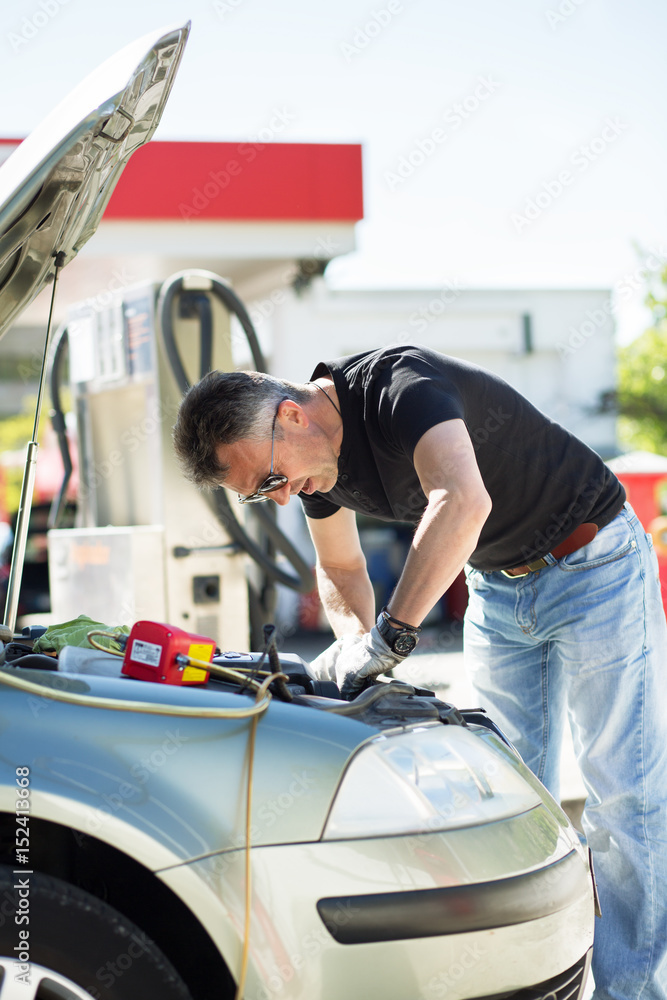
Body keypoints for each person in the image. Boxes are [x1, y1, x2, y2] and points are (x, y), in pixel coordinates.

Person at [174, 344, 667, 1000]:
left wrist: (391, 635)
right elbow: (341, 568)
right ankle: (538, 981)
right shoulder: (315, 468)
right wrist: (355, 650)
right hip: (497, 585)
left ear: (290, 415)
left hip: (592, 562)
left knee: (625, 797)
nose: (282, 497)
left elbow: (461, 500)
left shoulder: (398, 388)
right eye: (262, 495)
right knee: (511, 799)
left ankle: (630, 992)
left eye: (270, 481)